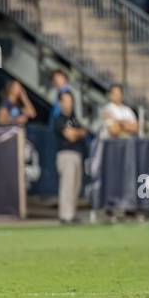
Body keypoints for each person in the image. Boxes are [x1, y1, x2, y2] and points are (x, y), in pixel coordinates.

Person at [53, 90, 87, 223]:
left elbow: (82, 132)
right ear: (60, 102)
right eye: (65, 101)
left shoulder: (74, 119)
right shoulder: (59, 119)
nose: (68, 104)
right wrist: (78, 133)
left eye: (70, 101)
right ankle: (65, 215)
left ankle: (71, 214)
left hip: (77, 154)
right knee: (67, 185)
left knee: (76, 185)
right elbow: (70, 136)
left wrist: (77, 133)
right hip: (66, 154)